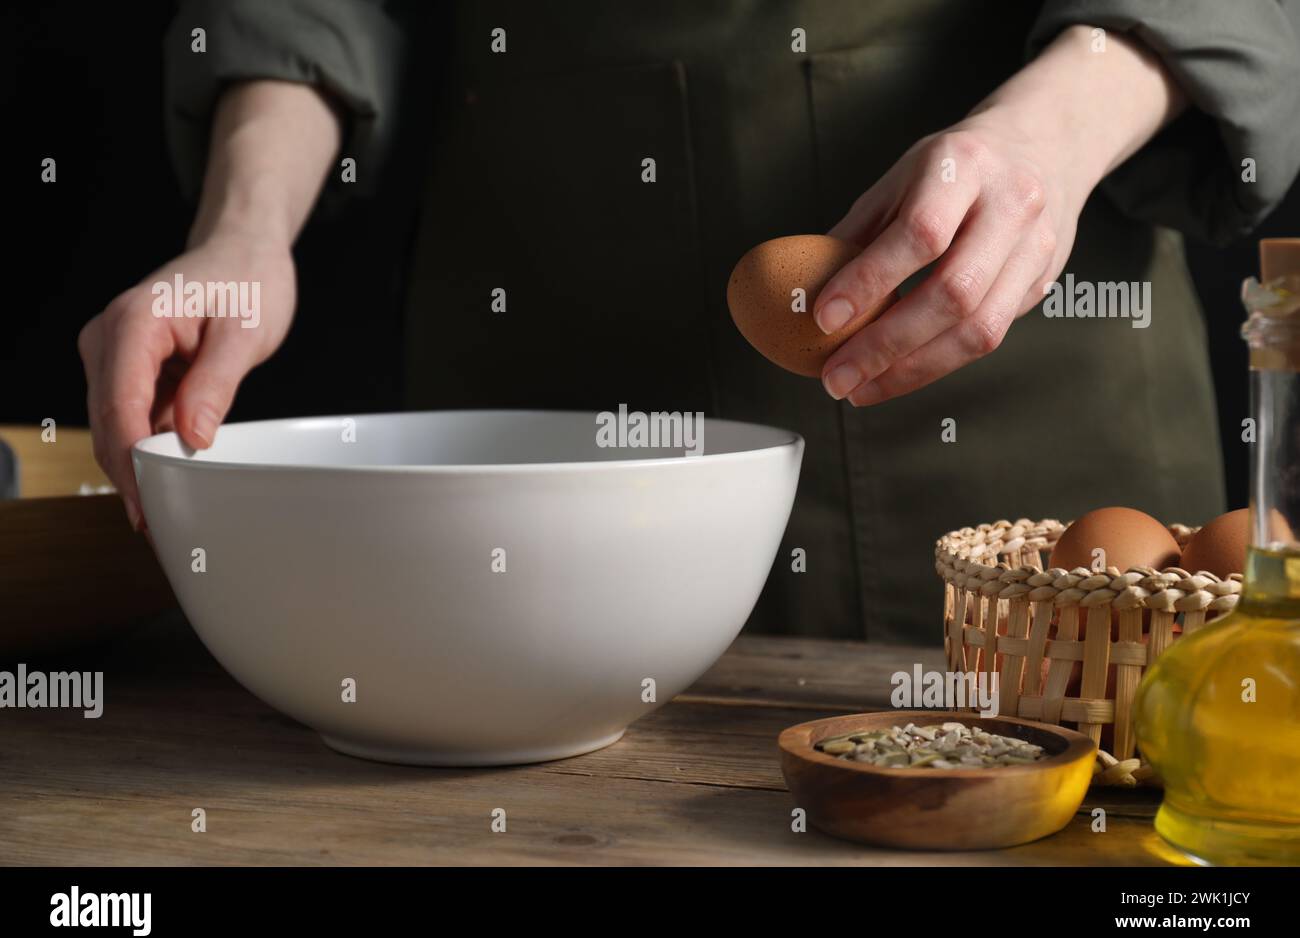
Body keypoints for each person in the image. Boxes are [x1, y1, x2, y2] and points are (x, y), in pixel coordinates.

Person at [79, 1, 1300, 644]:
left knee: (1083, 723)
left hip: (1031, 316)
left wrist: (1056, 127)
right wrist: (242, 232)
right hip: (562, 345)